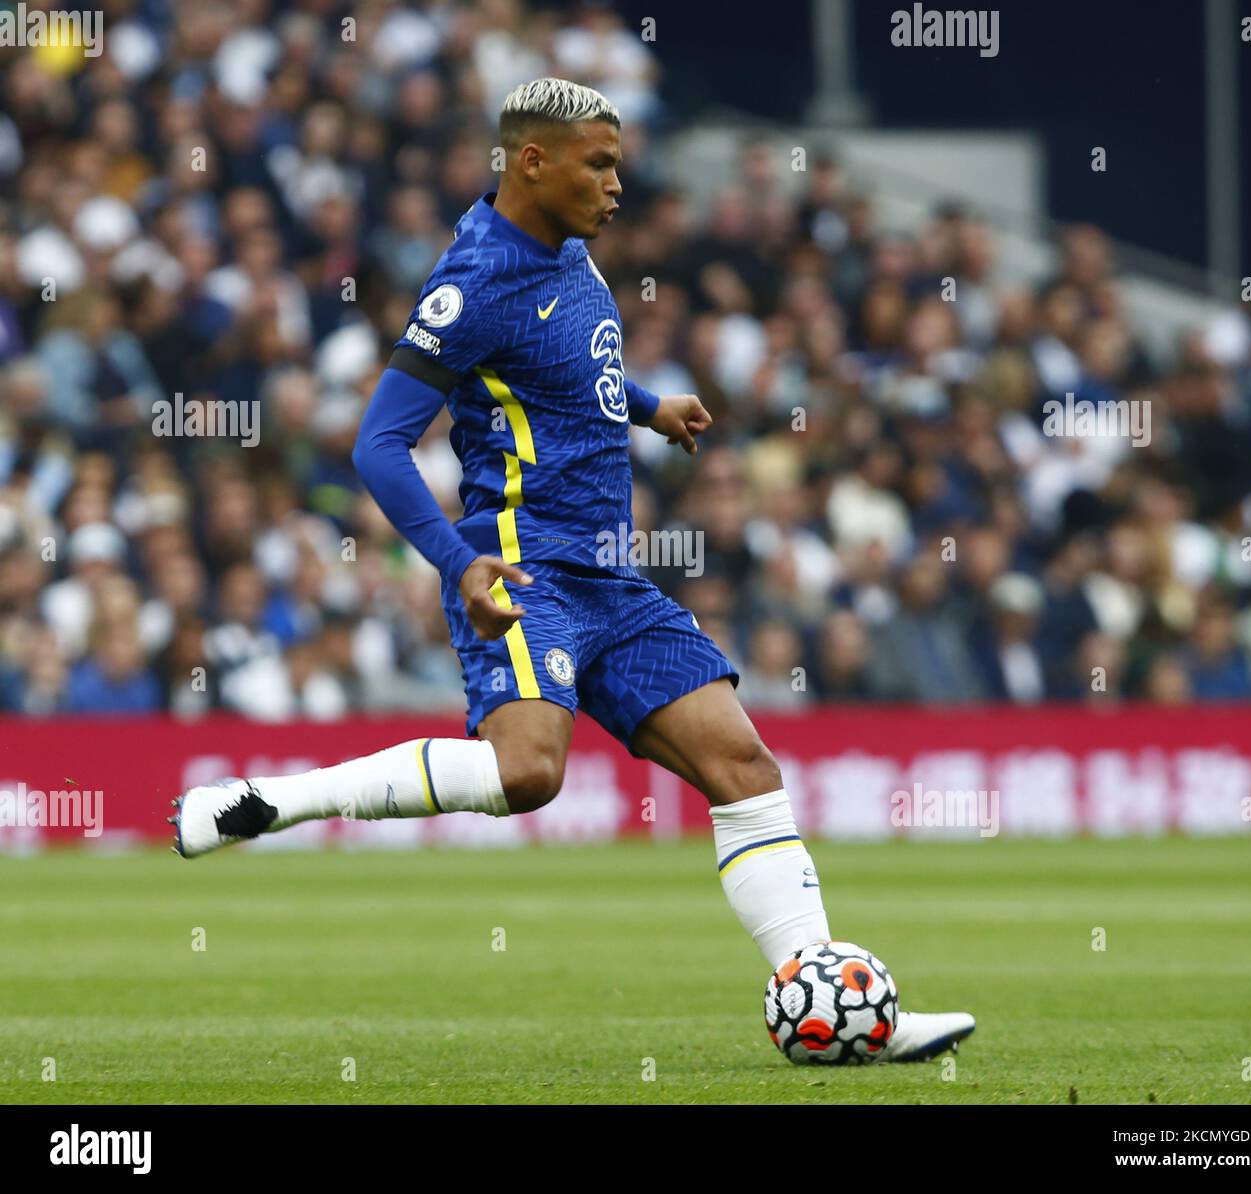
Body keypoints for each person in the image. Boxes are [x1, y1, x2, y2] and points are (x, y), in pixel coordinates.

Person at [171, 77, 973, 1062]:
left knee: (744, 769)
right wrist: (460, 563)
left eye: (618, 161)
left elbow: (561, 370)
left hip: (611, 581)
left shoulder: (571, 253)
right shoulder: (471, 282)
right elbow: (378, 445)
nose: (616, 182)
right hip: (520, 570)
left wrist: (645, 406)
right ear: (532, 161)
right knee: (527, 775)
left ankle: (837, 1011)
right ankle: (265, 803)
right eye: (598, 162)